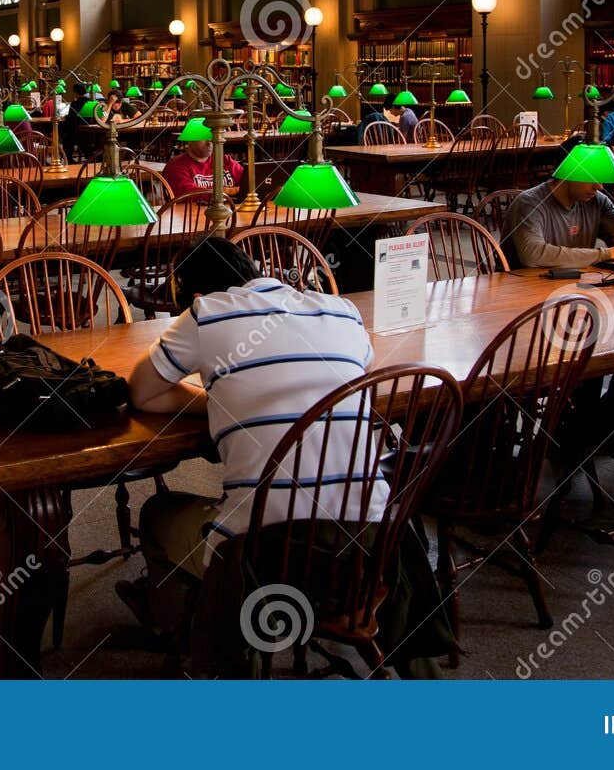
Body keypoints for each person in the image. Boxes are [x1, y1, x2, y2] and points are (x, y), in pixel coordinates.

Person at [117, 237, 450, 675]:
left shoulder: (205, 314)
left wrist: (217, 397)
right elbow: (344, 385)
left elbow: (141, 391)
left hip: (262, 556)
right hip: (367, 546)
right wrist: (224, 399)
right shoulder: (342, 312)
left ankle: (186, 636)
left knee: (157, 513)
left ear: (194, 296)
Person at [504, 161, 614, 268]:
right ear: (568, 172)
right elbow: (532, 255)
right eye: (591, 178)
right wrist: (605, 254)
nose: (599, 186)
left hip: (576, 288)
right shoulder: (529, 203)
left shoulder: (597, 201)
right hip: (525, 293)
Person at [163, 134, 244, 196]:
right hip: (192, 215)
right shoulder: (176, 166)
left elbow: (248, 182)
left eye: (212, 137)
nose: (209, 143)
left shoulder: (225, 160)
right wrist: (228, 191)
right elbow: (189, 194)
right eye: (203, 138)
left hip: (231, 212)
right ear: (190, 140)